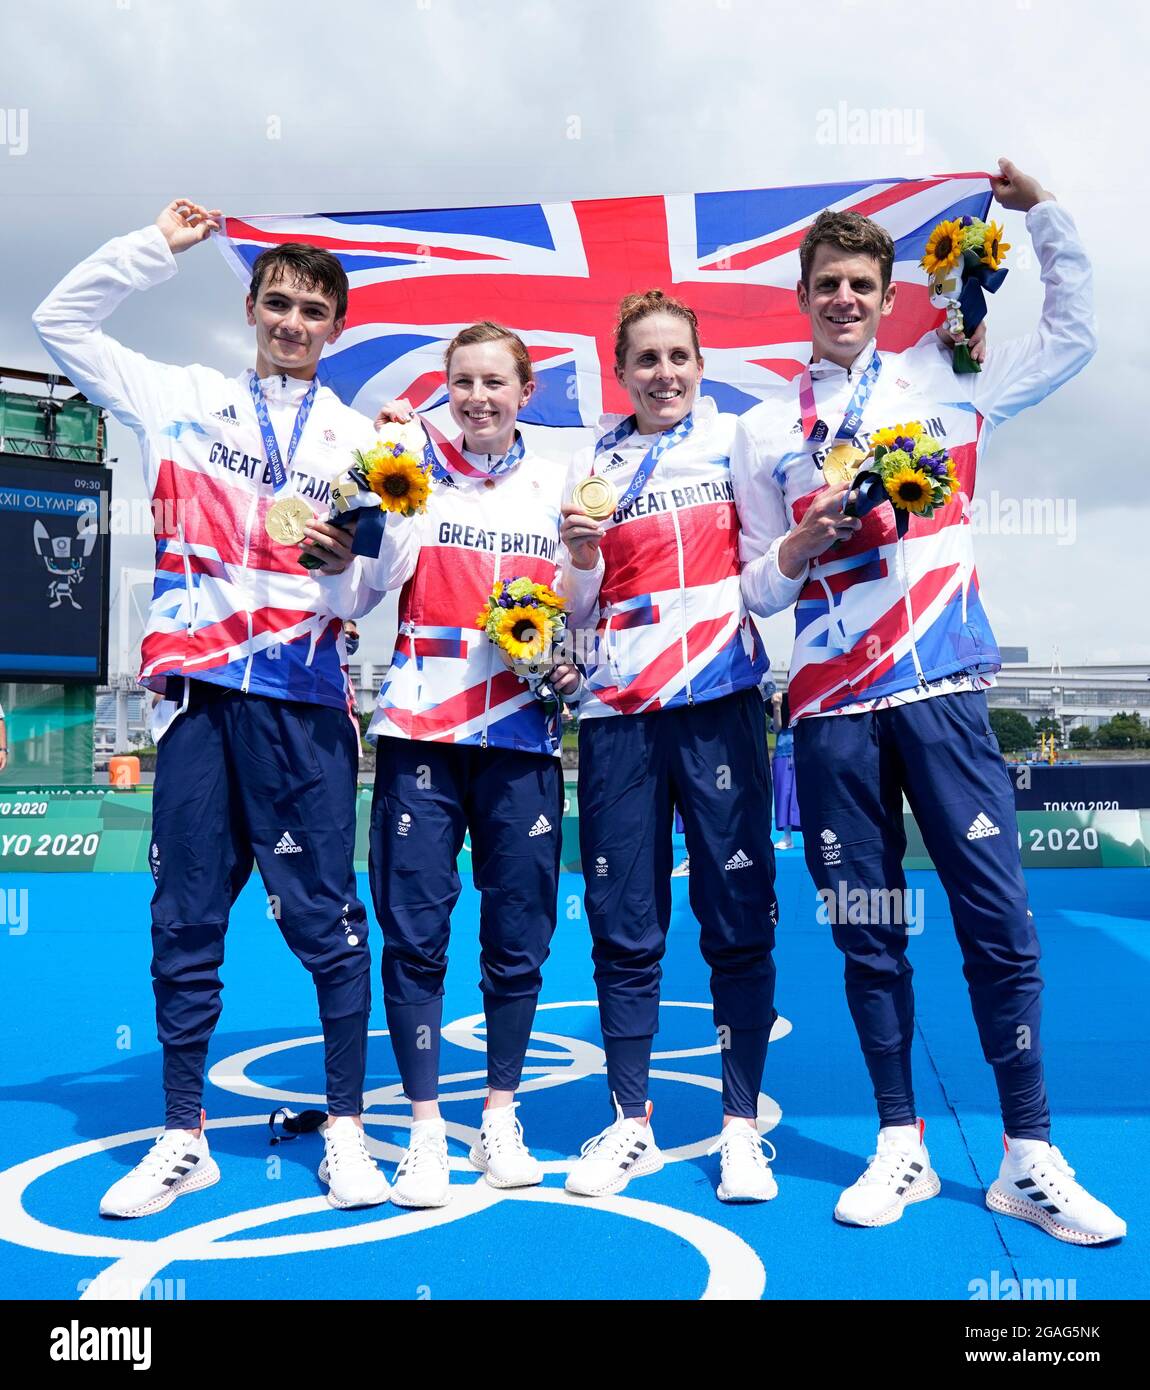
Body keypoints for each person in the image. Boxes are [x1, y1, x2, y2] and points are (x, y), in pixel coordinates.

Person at [732, 160, 1125, 1243]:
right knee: (868, 931)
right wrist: (799, 543)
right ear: (801, 296)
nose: (845, 300)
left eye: (863, 283)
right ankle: (897, 1142)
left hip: (943, 690)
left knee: (998, 922)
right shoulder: (763, 429)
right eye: (827, 285)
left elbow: (1078, 336)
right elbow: (753, 584)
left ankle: (1028, 1154)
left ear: (885, 290)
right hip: (828, 714)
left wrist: (1044, 213)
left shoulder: (945, 381)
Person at [34, 198, 415, 1216]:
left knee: (327, 927)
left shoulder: (359, 438)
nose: (294, 322)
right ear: (251, 305)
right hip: (199, 703)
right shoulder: (179, 395)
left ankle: (345, 1130)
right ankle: (182, 1134)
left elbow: (385, 580)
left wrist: (355, 559)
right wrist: (155, 245)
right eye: (279, 303)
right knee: (184, 920)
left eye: (313, 311)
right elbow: (59, 323)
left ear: (338, 328)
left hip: (303, 705)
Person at [334, 322, 578, 1207]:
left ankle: (501, 1115)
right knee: (417, 937)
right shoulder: (412, 471)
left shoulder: (559, 485)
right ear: (446, 387)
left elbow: (582, 607)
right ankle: (428, 1130)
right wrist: (383, 477)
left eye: (495, 382)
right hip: (420, 739)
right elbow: (360, 593)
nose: (478, 396)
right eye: (463, 381)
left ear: (526, 393)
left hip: (521, 743)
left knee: (519, 941)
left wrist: (565, 655)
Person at [559, 290, 780, 1203]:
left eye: (677, 357)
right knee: (623, 921)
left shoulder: (735, 445)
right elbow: (575, 607)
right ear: (622, 371)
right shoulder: (590, 466)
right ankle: (630, 1123)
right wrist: (577, 555)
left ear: (701, 364)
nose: (663, 374)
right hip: (617, 716)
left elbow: (768, 566)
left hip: (720, 702)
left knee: (736, 916)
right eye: (645, 360)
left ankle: (739, 1127)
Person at [770, 691, 800, 851]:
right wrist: (777, 707)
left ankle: (812, 836)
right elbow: (776, 728)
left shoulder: (806, 703)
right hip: (783, 755)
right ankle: (787, 837)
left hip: (804, 755)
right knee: (783, 796)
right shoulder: (783, 704)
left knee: (802, 798)